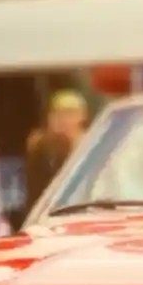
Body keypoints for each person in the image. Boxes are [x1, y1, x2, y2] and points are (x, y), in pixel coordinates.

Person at [21, 89, 87, 225]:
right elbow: (35, 189)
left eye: (69, 114)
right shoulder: (41, 146)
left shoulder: (91, 143)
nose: (62, 119)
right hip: (50, 215)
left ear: (81, 116)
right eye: (57, 114)